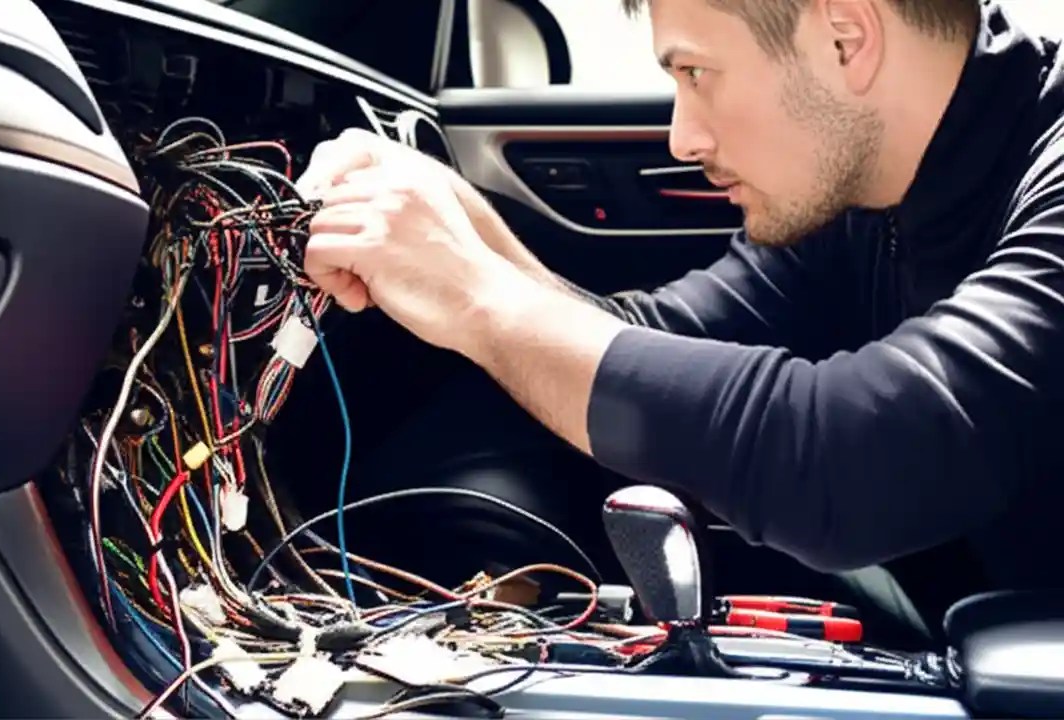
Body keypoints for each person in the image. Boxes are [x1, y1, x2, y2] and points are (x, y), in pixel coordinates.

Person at [295, 0, 1064, 608]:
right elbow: (638, 345)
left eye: (696, 72)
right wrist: (464, 228)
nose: (682, 138)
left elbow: (856, 458)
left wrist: (479, 297)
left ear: (847, 38)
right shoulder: (863, 197)